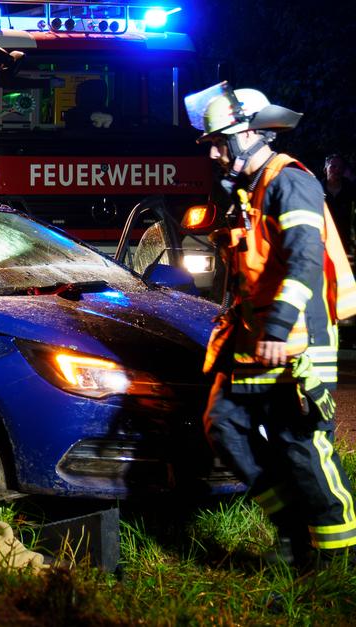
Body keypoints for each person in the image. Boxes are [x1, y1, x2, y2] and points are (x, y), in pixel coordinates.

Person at [187, 84, 356, 568]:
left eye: (220, 141)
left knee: (300, 443)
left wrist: (279, 328)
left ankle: (338, 557)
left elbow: (305, 262)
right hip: (254, 338)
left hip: (297, 341)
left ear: (250, 133)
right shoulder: (249, 188)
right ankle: (290, 528)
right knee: (224, 425)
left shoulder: (290, 182)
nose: (214, 153)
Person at [323, 154, 356, 253]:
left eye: (341, 167)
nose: (337, 170)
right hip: (324, 242)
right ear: (325, 169)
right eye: (333, 166)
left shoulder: (351, 190)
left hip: (346, 243)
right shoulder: (317, 190)